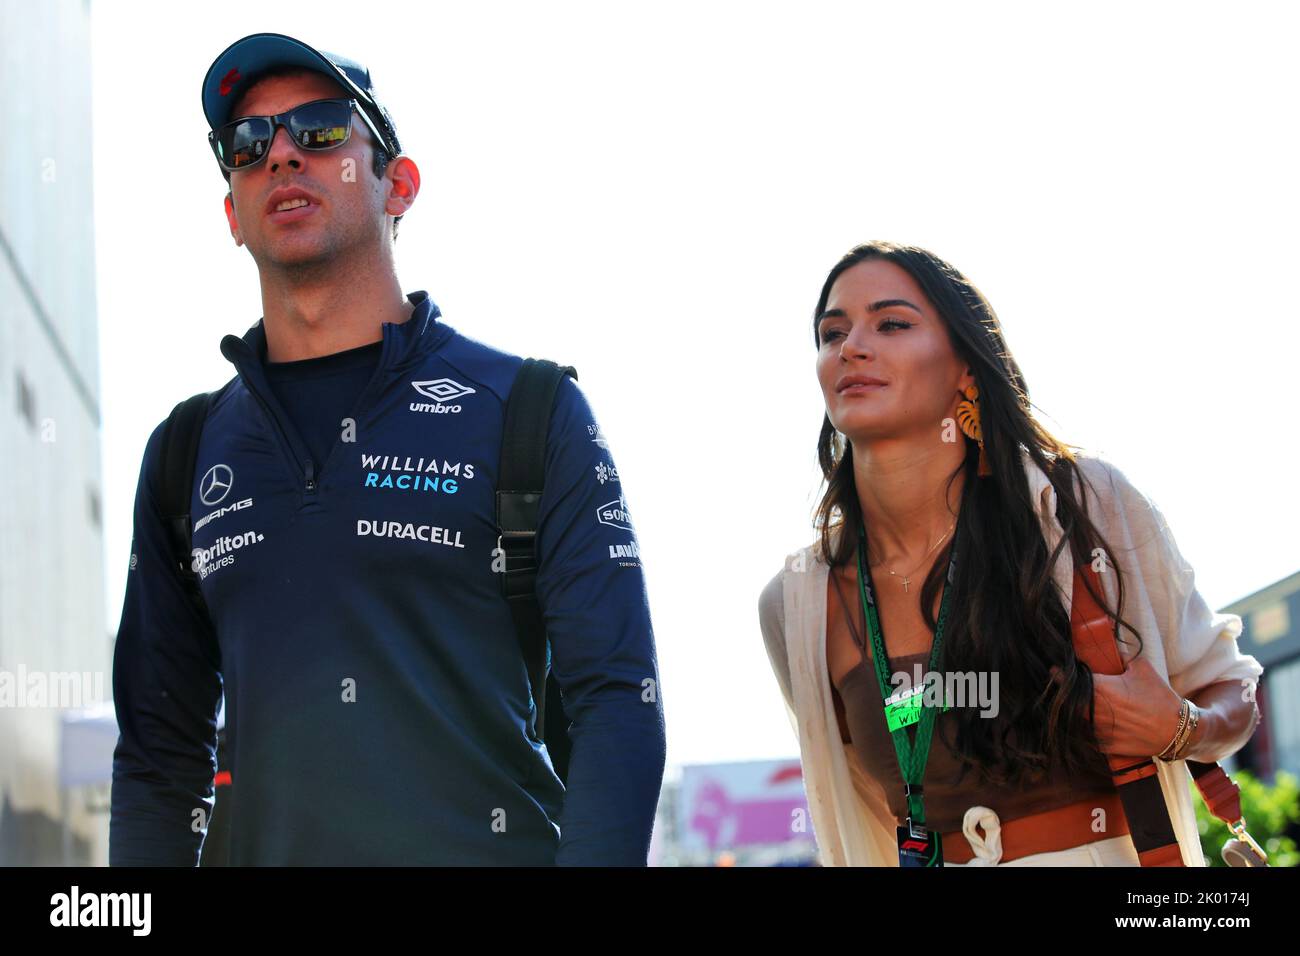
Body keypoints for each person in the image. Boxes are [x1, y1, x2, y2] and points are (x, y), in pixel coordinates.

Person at [110, 32, 666, 865]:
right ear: (232, 213)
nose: (283, 155)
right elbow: (160, 754)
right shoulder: (186, 451)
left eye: (323, 129)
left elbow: (619, 700)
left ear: (396, 185)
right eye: (249, 145)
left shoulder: (530, 409)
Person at [757, 240, 1262, 866]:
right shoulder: (799, 601)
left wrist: (1181, 727)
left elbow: (1230, 690)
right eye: (833, 332)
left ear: (967, 366)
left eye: (891, 323)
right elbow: (862, 810)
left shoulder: (1083, 505)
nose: (851, 346)